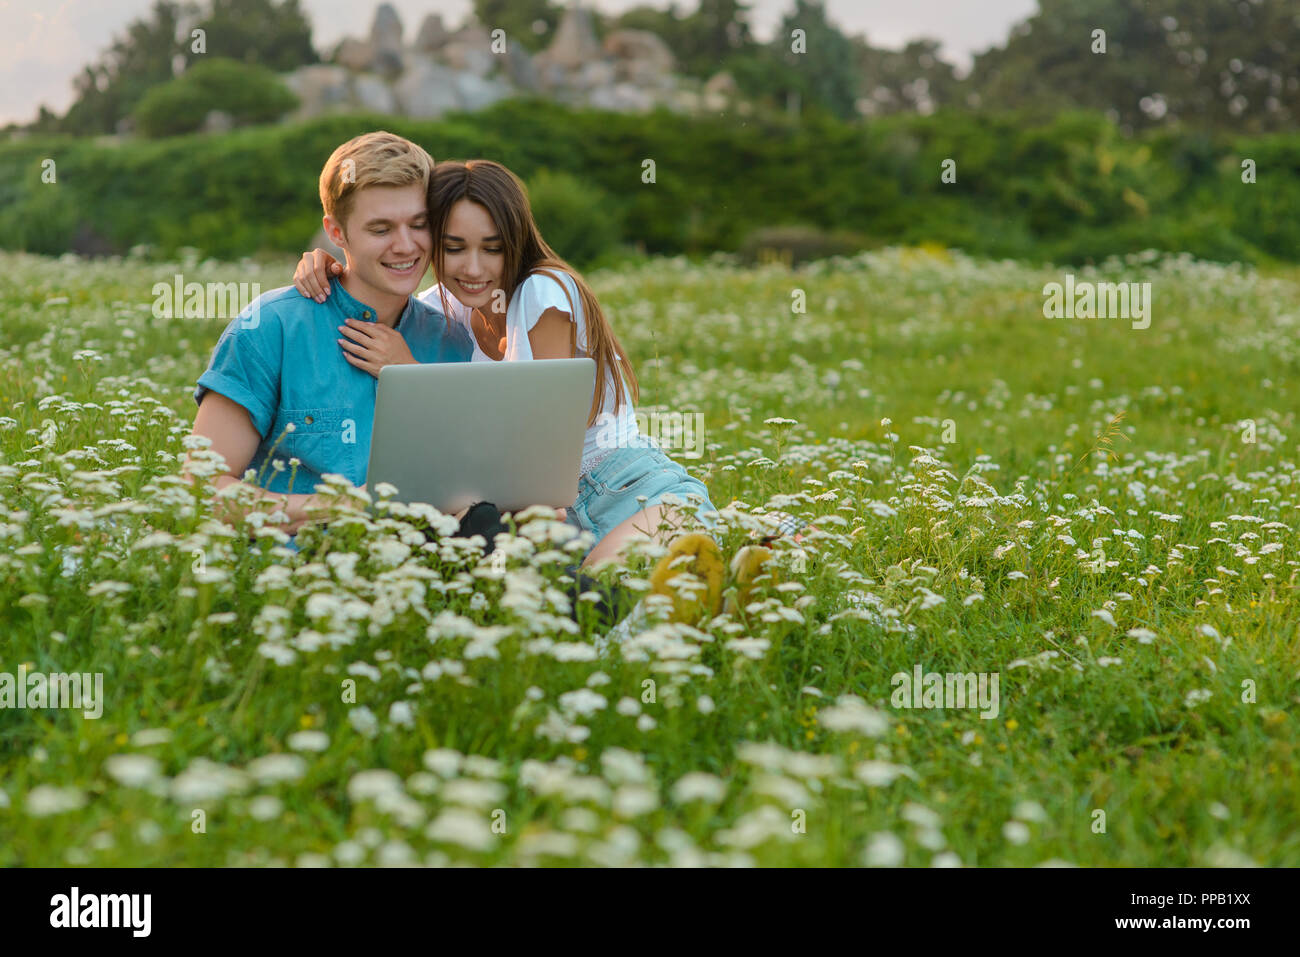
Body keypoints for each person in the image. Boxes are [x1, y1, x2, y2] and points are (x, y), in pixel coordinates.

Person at [293, 158, 773, 627]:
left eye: (493, 248)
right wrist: (326, 266)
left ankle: (746, 574)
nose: (473, 268)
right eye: (454, 247)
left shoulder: (544, 291)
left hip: (630, 492)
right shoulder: (448, 309)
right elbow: (375, 291)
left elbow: (540, 450)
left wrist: (408, 371)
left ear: (516, 242)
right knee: (585, 617)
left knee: (604, 617)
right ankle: (741, 577)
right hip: (547, 511)